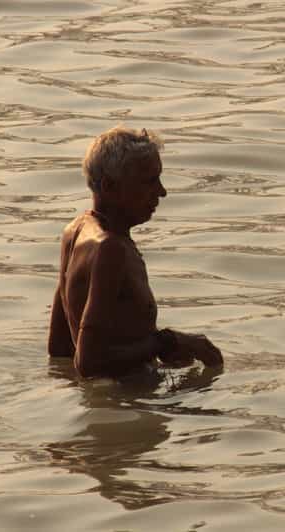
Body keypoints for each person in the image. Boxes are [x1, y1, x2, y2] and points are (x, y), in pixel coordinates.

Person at [47, 126, 223, 378]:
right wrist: (168, 342)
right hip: (130, 397)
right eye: (149, 181)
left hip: (116, 402)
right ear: (109, 187)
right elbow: (88, 363)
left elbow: (60, 349)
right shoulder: (111, 250)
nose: (162, 191)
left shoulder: (74, 231)